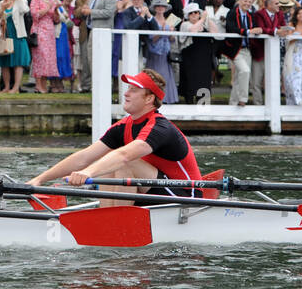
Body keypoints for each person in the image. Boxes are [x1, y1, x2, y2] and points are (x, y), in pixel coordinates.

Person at [27, 69, 201, 205]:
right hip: (154, 191)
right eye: (128, 89)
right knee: (108, 161)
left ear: (149, 99)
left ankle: (116, 222)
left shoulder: (159, 127)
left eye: (133, 90)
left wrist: (87, 173)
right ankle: (108, 218)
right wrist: (39, 179)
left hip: (185, 196)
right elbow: (84, 157)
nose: (126, 94)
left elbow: (124, 156)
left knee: (124, 160)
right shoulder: (123, 127)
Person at [176, 3, 219, 103]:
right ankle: (189, 102)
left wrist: (207, 18)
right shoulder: (185, 24)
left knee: (204, 81)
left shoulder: (204, 23)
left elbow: (216, 33)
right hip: (190, 58)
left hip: (204, 58)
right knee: (190, 80)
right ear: (188, 15)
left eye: (196, 12)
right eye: (191, 13)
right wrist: (202, 19)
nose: (195, 14)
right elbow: (192, 30)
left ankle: (203, 105)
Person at [0, 0, 31, 93]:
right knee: (5, 62)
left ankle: (16, 87)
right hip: (6, 34)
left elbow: (25, 10)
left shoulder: (22, 2)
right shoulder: (2, 2)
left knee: (18, 62)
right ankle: (7, 87)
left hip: (18, 34)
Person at [280, 5, 302, 106]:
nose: (301, 15)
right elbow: (289, 39)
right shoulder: (291, 24)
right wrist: (300, 35)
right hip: (294, 50)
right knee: (295, 75)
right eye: (299, 13)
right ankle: (295, 100)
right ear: (296, 15)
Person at [30, 0, 60, 93]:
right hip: (39, 30)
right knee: (40, 56)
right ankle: (38, 84)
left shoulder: (53, 1)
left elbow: (56, 19)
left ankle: (44, 83)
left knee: (48, 57)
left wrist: (56, 10)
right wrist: (47, 8)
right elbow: (35, 15)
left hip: (50, 31)